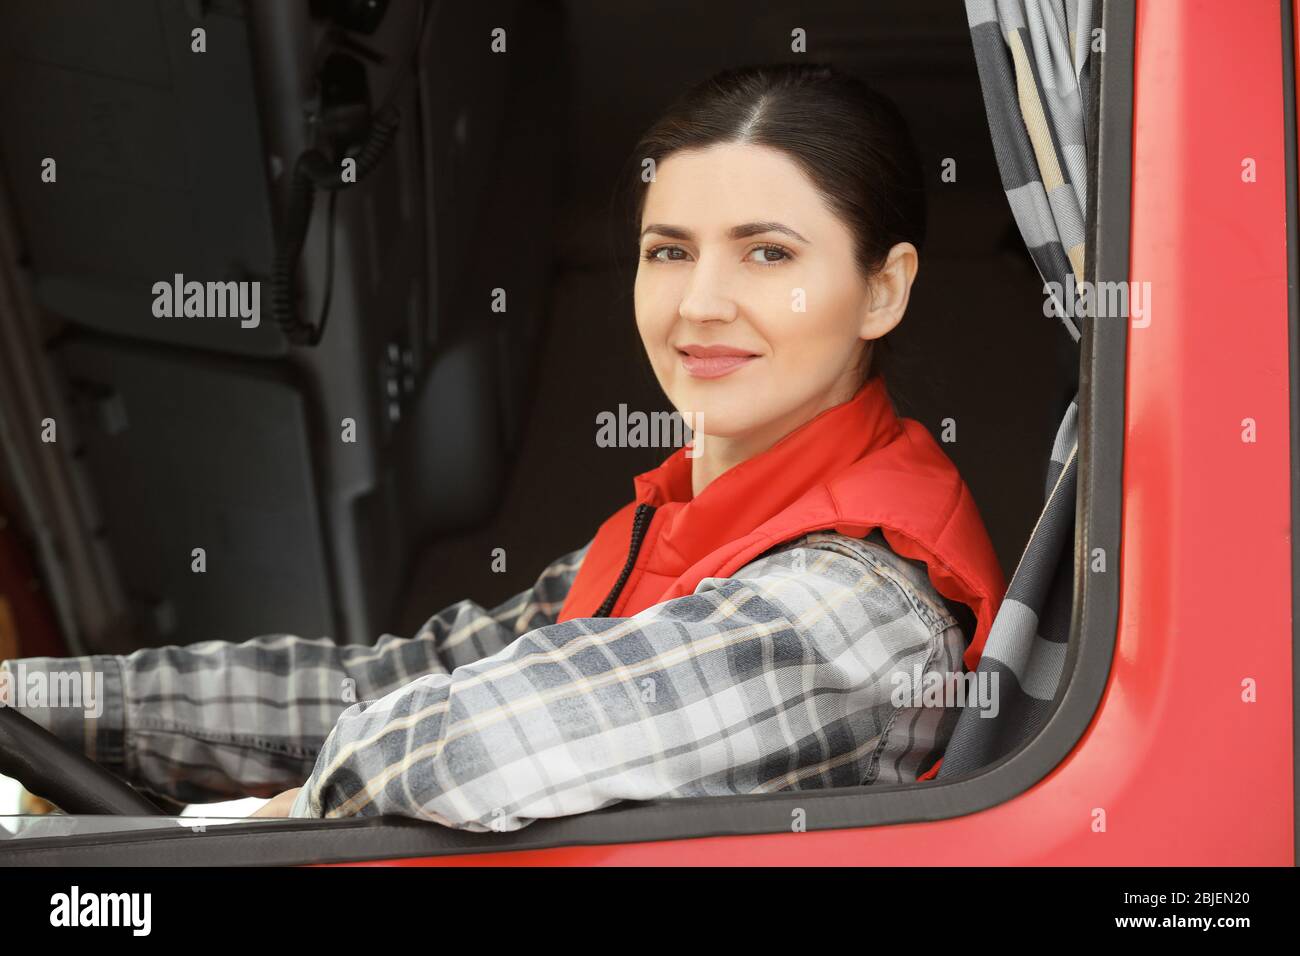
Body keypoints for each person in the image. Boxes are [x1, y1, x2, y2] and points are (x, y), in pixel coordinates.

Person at [0, 62, 1006, 831]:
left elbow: (469, 742)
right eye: (668, 252)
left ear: (883, 287)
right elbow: (395, 681)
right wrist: (30, 702)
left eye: (767, 251)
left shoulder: (863, 608)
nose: (700, 303)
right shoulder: (679, 537)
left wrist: (268, 823)